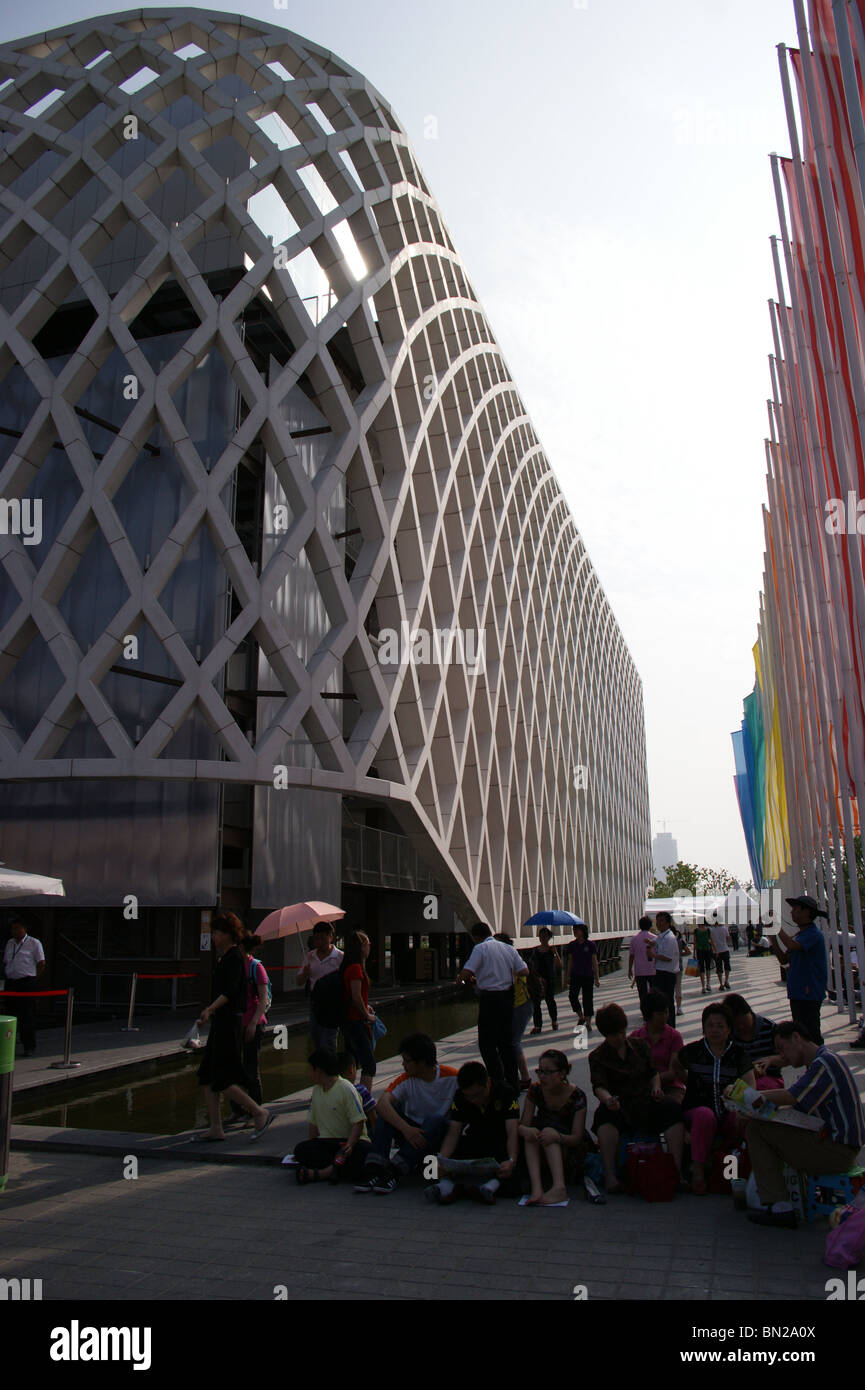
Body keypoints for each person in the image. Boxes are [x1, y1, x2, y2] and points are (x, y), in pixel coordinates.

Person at [744, 1021, 865, 1228]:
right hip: (835, 1145)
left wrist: (748, 1097)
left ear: (797, 1038)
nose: (783, 1057)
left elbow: (792, 1096)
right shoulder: (822, 1062)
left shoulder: (824, 1063)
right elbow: (797, 1108)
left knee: (755, 1129)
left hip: (838, 1152)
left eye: (783, 1048)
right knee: (763, 1123)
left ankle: (778, 1205)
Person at [589, 1002, 685, 1194]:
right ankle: (610, 1175)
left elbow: (653, 1073)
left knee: (673, 1111)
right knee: (604, 1118)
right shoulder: (597, 1056)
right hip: (619, 1105)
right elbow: (598, 1085)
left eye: (621, 1032)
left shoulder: (640, 1046)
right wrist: (608, 1099)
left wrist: (657, 1088)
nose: (619, 1038)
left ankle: (677, 1171)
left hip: (645, 1100)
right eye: (613, 1034)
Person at [195, 912, 274, 1141]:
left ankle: (259, 1111)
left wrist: (210, 1009)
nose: (214, 937)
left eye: (217, 933)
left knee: (221, 1077)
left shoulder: (234, 959)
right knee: (208, 1076)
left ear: (228, 934)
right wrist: (210, 1012)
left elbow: (229, 992)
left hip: (229, 1023)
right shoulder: (226, 957)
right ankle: (216, 1127)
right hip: (223, 1021)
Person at [355, 1033, 458, 1195]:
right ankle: (375, 1167)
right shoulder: (406, 1079)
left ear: (422, 1062)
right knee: (387, 1112)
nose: (403, 1065)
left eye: (407, 1061)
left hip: (437, 1136)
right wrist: (406, 1129)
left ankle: (395, 1171)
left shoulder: (452, 1077)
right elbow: (382, 1103)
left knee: (435, 1120)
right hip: (411, 1133)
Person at [674, 1002, 754, 1194]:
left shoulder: (738, 1054)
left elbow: (750, 1086)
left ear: (729, 1030)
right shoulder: (693, 1051)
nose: (715, 1030)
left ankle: (736, 1175)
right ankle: (698, 1173)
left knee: (743, 1119)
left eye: (720, 1026)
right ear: (703, 1028)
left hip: (728, 1111)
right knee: (704, 1115)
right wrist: (687, 1081)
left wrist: (735, 1091)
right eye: (710, 1025)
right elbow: (675, 1065)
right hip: (698, 1110)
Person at [429, 1061, 520, 1204]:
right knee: (442, 1154)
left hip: (500, 1142)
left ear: (488, 1083)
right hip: (476, 1139)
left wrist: (511, 1160)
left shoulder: (505, 1092)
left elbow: (512, 1131)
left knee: (516, 1162)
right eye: (469, 1097)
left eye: (477, 1095)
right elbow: (454, 1132)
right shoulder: (460, 1097)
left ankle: (489, 1187)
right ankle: (445, 1185)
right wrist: (442, 1159)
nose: (474, 1100)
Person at [520, 1048, 595, 1205]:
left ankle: (559, 1188)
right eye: (540, 1071)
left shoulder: (577, 1096)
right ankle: (536, 1188)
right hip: (543, 1143)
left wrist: (558, 1137)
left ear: (562, 1073)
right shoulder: (535, 1090)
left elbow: (577, 1137)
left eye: (548, 1072)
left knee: (549, 1133)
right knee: (532, 1135)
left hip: (568, 1146)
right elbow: (521, 1126)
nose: (542, 1077)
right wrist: (528, 1131)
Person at [457, 923, 528, 1088]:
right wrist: (508, 973)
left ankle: (497, 1079)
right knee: (506, 1042)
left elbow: (467, 972)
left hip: (490, 999)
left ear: (476, 937)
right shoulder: (509, 949)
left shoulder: (480, 948)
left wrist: (460, 979)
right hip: (507, 998)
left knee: (487, 1043)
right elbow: (525, 971)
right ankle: (512, 1081)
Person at [293, 1049, 371, 1183]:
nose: (309, 1074)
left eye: (310, 1069)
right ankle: (335, 1170)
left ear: (319, 1071)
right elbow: (313, 1125)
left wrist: (349, 1145)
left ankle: (324, 1173)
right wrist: (311, 1145)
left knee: (363, 1153)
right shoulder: (316, 1091)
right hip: (327, 1143)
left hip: (349, 1143)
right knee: (300, 1150)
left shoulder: (346, 1088)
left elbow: (358, 1122)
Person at [770, 895, 829, 1045]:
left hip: (809, 993)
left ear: (807, 912)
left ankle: (820, 1063)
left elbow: (791, 946)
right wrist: (772, 939)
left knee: (811, 1035)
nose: (792, 912)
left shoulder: (813, 935)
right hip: (798, 992)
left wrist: (776, 926)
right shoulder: (801, 935)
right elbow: (784, 959)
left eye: (796, 909)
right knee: (803, 1037)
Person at [228, 933, 270, 1127]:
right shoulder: (234, 966)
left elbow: (263, 999)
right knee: (233, 1068)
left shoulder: (256, 967)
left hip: (253, 1022)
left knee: (251, 1069)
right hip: (236, 1023)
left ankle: (256, 1110)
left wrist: (253, 1023)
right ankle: (237, 1110)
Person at [629, 989, 685, 1102]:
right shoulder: (635, 1037)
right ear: (648, 1015)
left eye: (666, 1012)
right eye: (660, 1014)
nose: (665, 1016)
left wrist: (655, 1080)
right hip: (643, 1087)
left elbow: (674, 1072)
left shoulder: (675, 1036)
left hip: (670, 1087)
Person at [296, 922, 343, 1052]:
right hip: (316, 1002)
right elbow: (299, 981)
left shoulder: (340, 957)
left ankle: (330, 1068)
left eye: (323, 938)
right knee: (315, 1035)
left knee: (329, 1039)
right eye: (317, 938)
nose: (319, 942)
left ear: (330, 937)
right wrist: (305, 974)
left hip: (333, 1003)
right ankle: (321, 1068)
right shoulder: (310, 956)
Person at [2, 916, 46, 1056]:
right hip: (11, 982)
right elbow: (6, 961)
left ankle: (29, 1046)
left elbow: (41, 963)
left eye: (17, 928)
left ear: (24, 929)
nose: (14, 931)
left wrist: (33, 977)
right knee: (9, 1014)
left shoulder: (34, 943)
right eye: (12, 929)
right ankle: (7, 1044)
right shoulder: (10, 943)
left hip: (26, 982)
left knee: (27, 1016)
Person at [339, 930, 377, 1090]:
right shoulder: (355, 968)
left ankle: (347, 1096)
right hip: (355, 1021)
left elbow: (356, 996)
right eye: (368, 944)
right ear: (362, 947)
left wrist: (365, 1006)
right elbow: (355, 997)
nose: (370, 947)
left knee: (352, 1061)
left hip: (351, 1020)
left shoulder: (350, 966)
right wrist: (367, 1015)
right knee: (369, 1064)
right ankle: (363, 1102)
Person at [723, 993, 784, 1091]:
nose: (741, 1027)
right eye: (736, 1025)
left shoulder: (769, 1028)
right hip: (739, 1082)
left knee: (756, 1090)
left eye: (743, 1022)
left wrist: (770, 1060)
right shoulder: (728, 1035)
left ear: (749, 1013)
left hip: (769, 1079)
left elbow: (788, 1058)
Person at [497, 932, 532, 1089]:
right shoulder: (501, 960)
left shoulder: (513, 959)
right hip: (510, 1006)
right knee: (506, 1042)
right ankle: (508, 1075)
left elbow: (523, 972)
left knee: (513, 1042)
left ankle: (524, 1077)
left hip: (520, 1005)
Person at [563, 919, 600, 1033]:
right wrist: (567, 977)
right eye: (573, 930)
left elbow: (594, 961)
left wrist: (597, 978)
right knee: (572, 996)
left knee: (587, 998)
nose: (574, 932)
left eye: (576, 930)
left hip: (588, 975)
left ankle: (588, 1022)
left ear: (583, 931)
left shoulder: (590, 945)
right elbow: (570, 962)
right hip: (576, 975)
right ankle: (581, 1016)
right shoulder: (572, 945)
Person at [529, 927, 561, 1034]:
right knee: (536, 1002)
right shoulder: (535, 951)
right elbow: (532, 965)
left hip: (549, 978)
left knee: (550, 1000)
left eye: (545, 936)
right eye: (541, 936)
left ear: (549, 937)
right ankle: (538, 1025)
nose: (542, 938)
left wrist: (555, 953)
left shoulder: (552, 950)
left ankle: (554, 1020)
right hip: (538, 979)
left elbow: (559, 965)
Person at [337, 1050, 377, 1134]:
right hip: (359, 1134)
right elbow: (373, 1116)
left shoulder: (331, 1092)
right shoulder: (360, 1090)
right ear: (351, 1069)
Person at [651, 911, 679, 1024]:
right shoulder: (661, 936)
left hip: (667, 973)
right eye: (657, 921)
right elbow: (654, 942)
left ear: (668, 923)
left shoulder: (669, 938)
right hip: (660, 972)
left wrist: (653, 955)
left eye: (661, 921)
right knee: (661, 1001)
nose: (658, 923)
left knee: (667, 1001)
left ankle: (670, 1024)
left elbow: (668, 957)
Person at [627, 916, 657, 1007]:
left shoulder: (634, 939)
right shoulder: (655, 938)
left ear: (639, 925)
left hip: (639, 971)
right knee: (654, 992)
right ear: (650, 925)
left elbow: (632, 955)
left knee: (642, 993)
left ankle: (645, 1011)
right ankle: (653, 1008)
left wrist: (629, 969)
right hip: (653, 970)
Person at [693, 919, 714, 994]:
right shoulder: (708, 930)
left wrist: (694, 953)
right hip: (707, 950)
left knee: (702, 968)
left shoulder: (696, 931)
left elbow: (695, 943)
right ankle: (708, 984)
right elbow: (711, 940)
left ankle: (703, 987)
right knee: (708, 967)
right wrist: (715, 950)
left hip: (699, 950)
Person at [709, 920, 732, 991]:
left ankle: (721, 984)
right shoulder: (724, 928)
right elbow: (728, 938)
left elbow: (710, 940)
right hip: (725, 949)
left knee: (719, 967)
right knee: (727, 966)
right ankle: (726, 981)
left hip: (716, 951)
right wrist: (724, 943)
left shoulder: (711, 930)